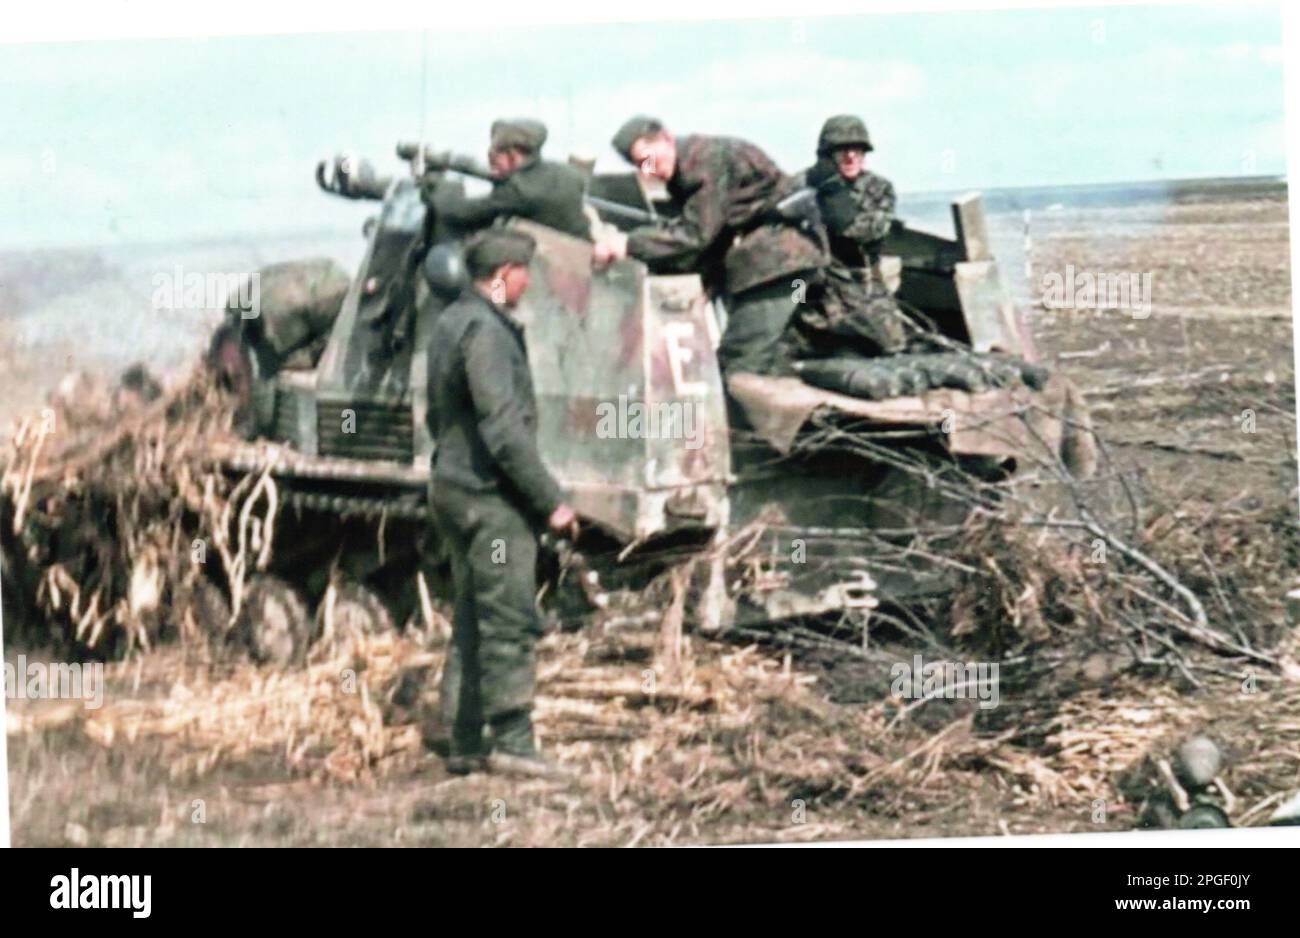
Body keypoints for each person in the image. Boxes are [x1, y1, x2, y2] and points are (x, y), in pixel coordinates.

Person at [425, 228, 579, 777]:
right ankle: (514, 742)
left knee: (471, 613)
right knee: (509, 615)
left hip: (452, 487)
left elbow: (436, 418)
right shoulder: (487, 332)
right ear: (502, 276)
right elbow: (504, 430)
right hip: (491, 498)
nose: (528, 282)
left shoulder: (449, 322)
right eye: (523, 272)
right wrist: (550, 501)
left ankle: (465, 739)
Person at [596, 116, 824, 378]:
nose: (648, 171)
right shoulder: (684, 172)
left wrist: (628, 244)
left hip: (784, 266)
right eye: (639, 166)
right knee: (773, 355)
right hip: (782, 265)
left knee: (742, 363)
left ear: (667, 139)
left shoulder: (704, 161)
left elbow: (697, 234)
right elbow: (716, 237)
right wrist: (705, 284)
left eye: (649, 159)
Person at [794, 115, 908, 357]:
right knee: (788, 341)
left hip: (860, 280)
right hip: (804, 280)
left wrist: (832, 193)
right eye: (841, 150)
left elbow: (862, 232)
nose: (850, 156)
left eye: (857, 150)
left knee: (890, 345)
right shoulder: (799, 185)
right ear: (827, 154)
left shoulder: (878, 188)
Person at [423, 118, 592, 240]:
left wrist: (438, 185)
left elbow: (459, 212)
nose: (491, 164)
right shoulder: (568, 174)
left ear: (512, 156)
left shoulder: (519, 191)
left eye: (493, 157)